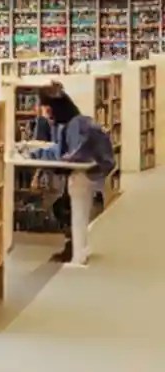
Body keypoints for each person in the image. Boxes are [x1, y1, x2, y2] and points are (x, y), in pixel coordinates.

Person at [28, 83, 116, 265]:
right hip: (88, 171)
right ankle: (80, 249)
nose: (44, 113)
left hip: (84, 173)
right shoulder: (74, 122)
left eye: (46, 109)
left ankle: (78, 256)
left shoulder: (76, 125)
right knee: (77, 213)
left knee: (78, 214)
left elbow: (72, 155)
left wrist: (39, 155)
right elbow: (64, 151)